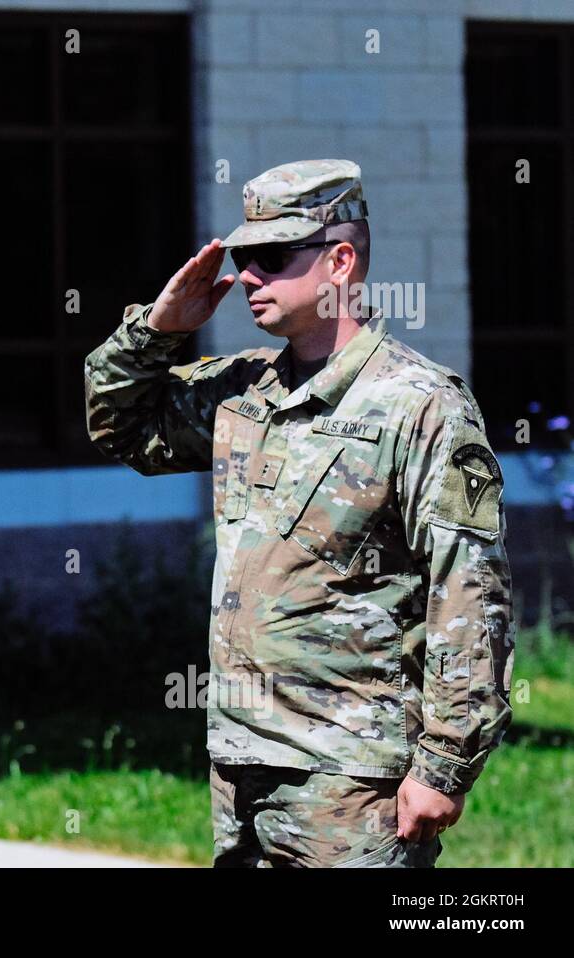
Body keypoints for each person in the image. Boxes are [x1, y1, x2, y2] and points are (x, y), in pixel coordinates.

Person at [85, 159, 513, 867]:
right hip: (240, 760)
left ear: (340, 260)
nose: (249, 276)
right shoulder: (244, 388)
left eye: (273, 257)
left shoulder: (420, 403)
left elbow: (471, 591)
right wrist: (157, 332)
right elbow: (120, 427)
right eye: (244, 257)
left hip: (353, 776)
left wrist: (444, 764)